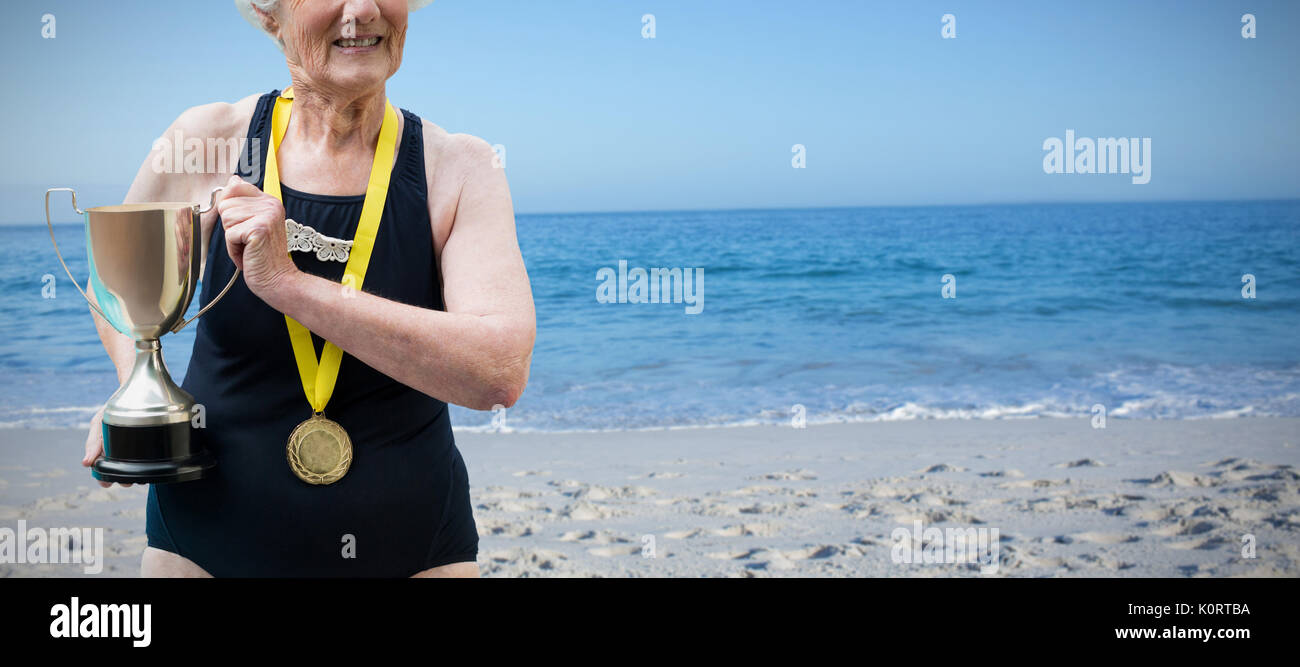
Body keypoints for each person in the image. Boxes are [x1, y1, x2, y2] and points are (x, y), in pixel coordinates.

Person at [82, 0, 535, 577]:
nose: (364, 9)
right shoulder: (208, 142)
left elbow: (498, 372)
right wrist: (136, 393)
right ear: (268, 14)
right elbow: (116, 281)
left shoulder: (462, 169)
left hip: (414, 550)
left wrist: (289, 286)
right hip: (203, 548)